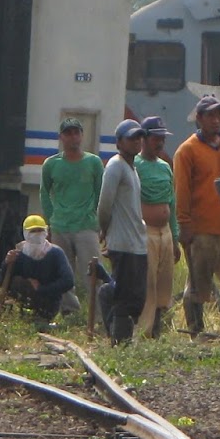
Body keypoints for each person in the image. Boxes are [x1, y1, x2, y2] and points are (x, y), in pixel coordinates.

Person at [173, 94, 220, 338]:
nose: (216, 120)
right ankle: (196, 330)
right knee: (198, 281)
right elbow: (182, 191)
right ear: (199, 118)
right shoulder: (187, 151)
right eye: (211, 115)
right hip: (202, 228)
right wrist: (184, 224)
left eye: (219, 115)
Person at [41, 117, 104, 316]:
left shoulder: (93, 162)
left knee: (94, 273)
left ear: (82, 135)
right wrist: (51, 221)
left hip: (86, 226)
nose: (73, 137)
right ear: (61, 137)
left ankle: (100, 316)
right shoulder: (51, 164)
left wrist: (97, 220)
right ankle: (69, 312)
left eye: (77, 132)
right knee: (64, 274)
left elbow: (101, 192)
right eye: (68, 133)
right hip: (60, 227)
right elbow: (44, 193)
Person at [96, 118, 148, 343]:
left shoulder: (131, 167)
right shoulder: (116, 165)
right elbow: (105, 204)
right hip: (123, 243)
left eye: (139, 137)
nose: (137, 142)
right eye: (131, 138)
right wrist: (105, 232)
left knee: (136, 297)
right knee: (125, 298)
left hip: (136, 243)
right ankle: (119, 341)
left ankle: (120, 335)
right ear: (119, 142)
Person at [132, 115, 181, 338]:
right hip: (146, 232)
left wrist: (176, 238)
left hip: (165, 233)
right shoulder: (135, 166)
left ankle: (158, 330)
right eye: (155, 138)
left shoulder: (165, 167)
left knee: (164, 283)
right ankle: (144, 330)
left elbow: (171, 202)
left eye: (162, 138)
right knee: (148, 283)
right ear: (144, 139)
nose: (160, 142)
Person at [0, 214, 74, 323]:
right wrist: (6, 264)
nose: (37, 234)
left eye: (40, 230)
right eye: (33, 231)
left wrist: (41, 289)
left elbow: (68, 281)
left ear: (46, 232)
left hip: (48, 304)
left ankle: (39, 318)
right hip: (21, 303)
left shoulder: (55, 253)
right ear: (25, 233)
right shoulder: (18, 253)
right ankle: (21, 315)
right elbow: (3, 283)